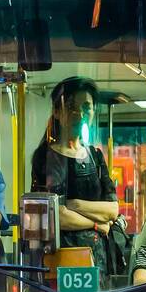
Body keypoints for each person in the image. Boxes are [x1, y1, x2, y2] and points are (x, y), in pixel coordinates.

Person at [30, 77, 119, 273]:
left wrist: (75, 205)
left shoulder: (95, 156)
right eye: (71, 107)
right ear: (56, 111)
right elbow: (55, 216)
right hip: (60, 258)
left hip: (97, 258)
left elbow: (112, 209)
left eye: (87, 107)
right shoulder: (46, 157)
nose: (80, 114)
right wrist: (97, 223)